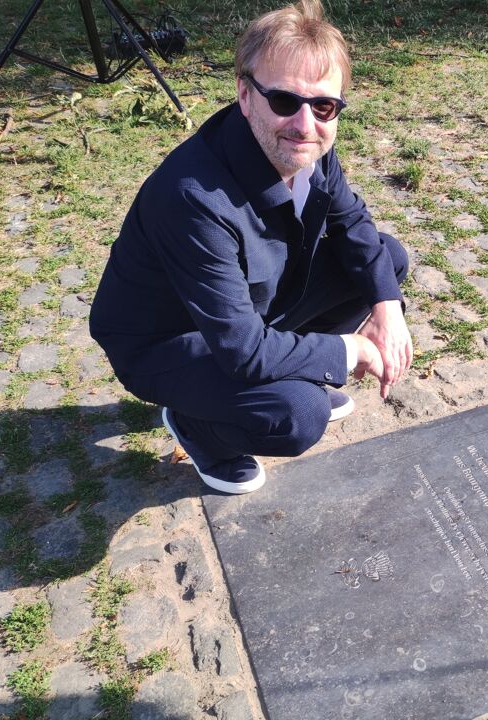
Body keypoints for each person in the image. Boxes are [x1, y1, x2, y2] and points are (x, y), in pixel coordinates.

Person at [89, 0, 412, 495]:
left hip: (246, 310)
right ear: (245, 95)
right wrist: (348, 350)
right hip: (168, 341)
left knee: (385, 262)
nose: (305, 123)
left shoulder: (307, 146)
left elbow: (354, 226)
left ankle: (290, 373)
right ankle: (198, 426)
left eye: (324, 106)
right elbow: (241, 350)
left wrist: (387, 311)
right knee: (295, 415)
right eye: (284, 101)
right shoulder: (194, 196)